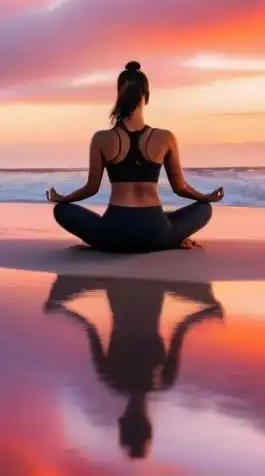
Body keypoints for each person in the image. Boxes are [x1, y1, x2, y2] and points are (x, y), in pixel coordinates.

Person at [46, 60, 223, 253]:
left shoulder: (101, 138)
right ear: (146, 97)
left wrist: (63, 199)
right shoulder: (165, 137)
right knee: (204, 208)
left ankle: (105, 241)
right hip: (156, 233)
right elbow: (180, 188)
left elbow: (91, 189)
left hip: (114, 234)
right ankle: (169, 237)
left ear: (118, 95)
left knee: (62, 210)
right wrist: (206, 197)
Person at [43, 275, 224, 459]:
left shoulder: (125, 379)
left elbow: (180, 330)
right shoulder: (145, 380)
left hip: (136, 291)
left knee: (96, 280)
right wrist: (205, 311)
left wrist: (61, 309)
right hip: (141, 291)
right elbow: (90, 329)